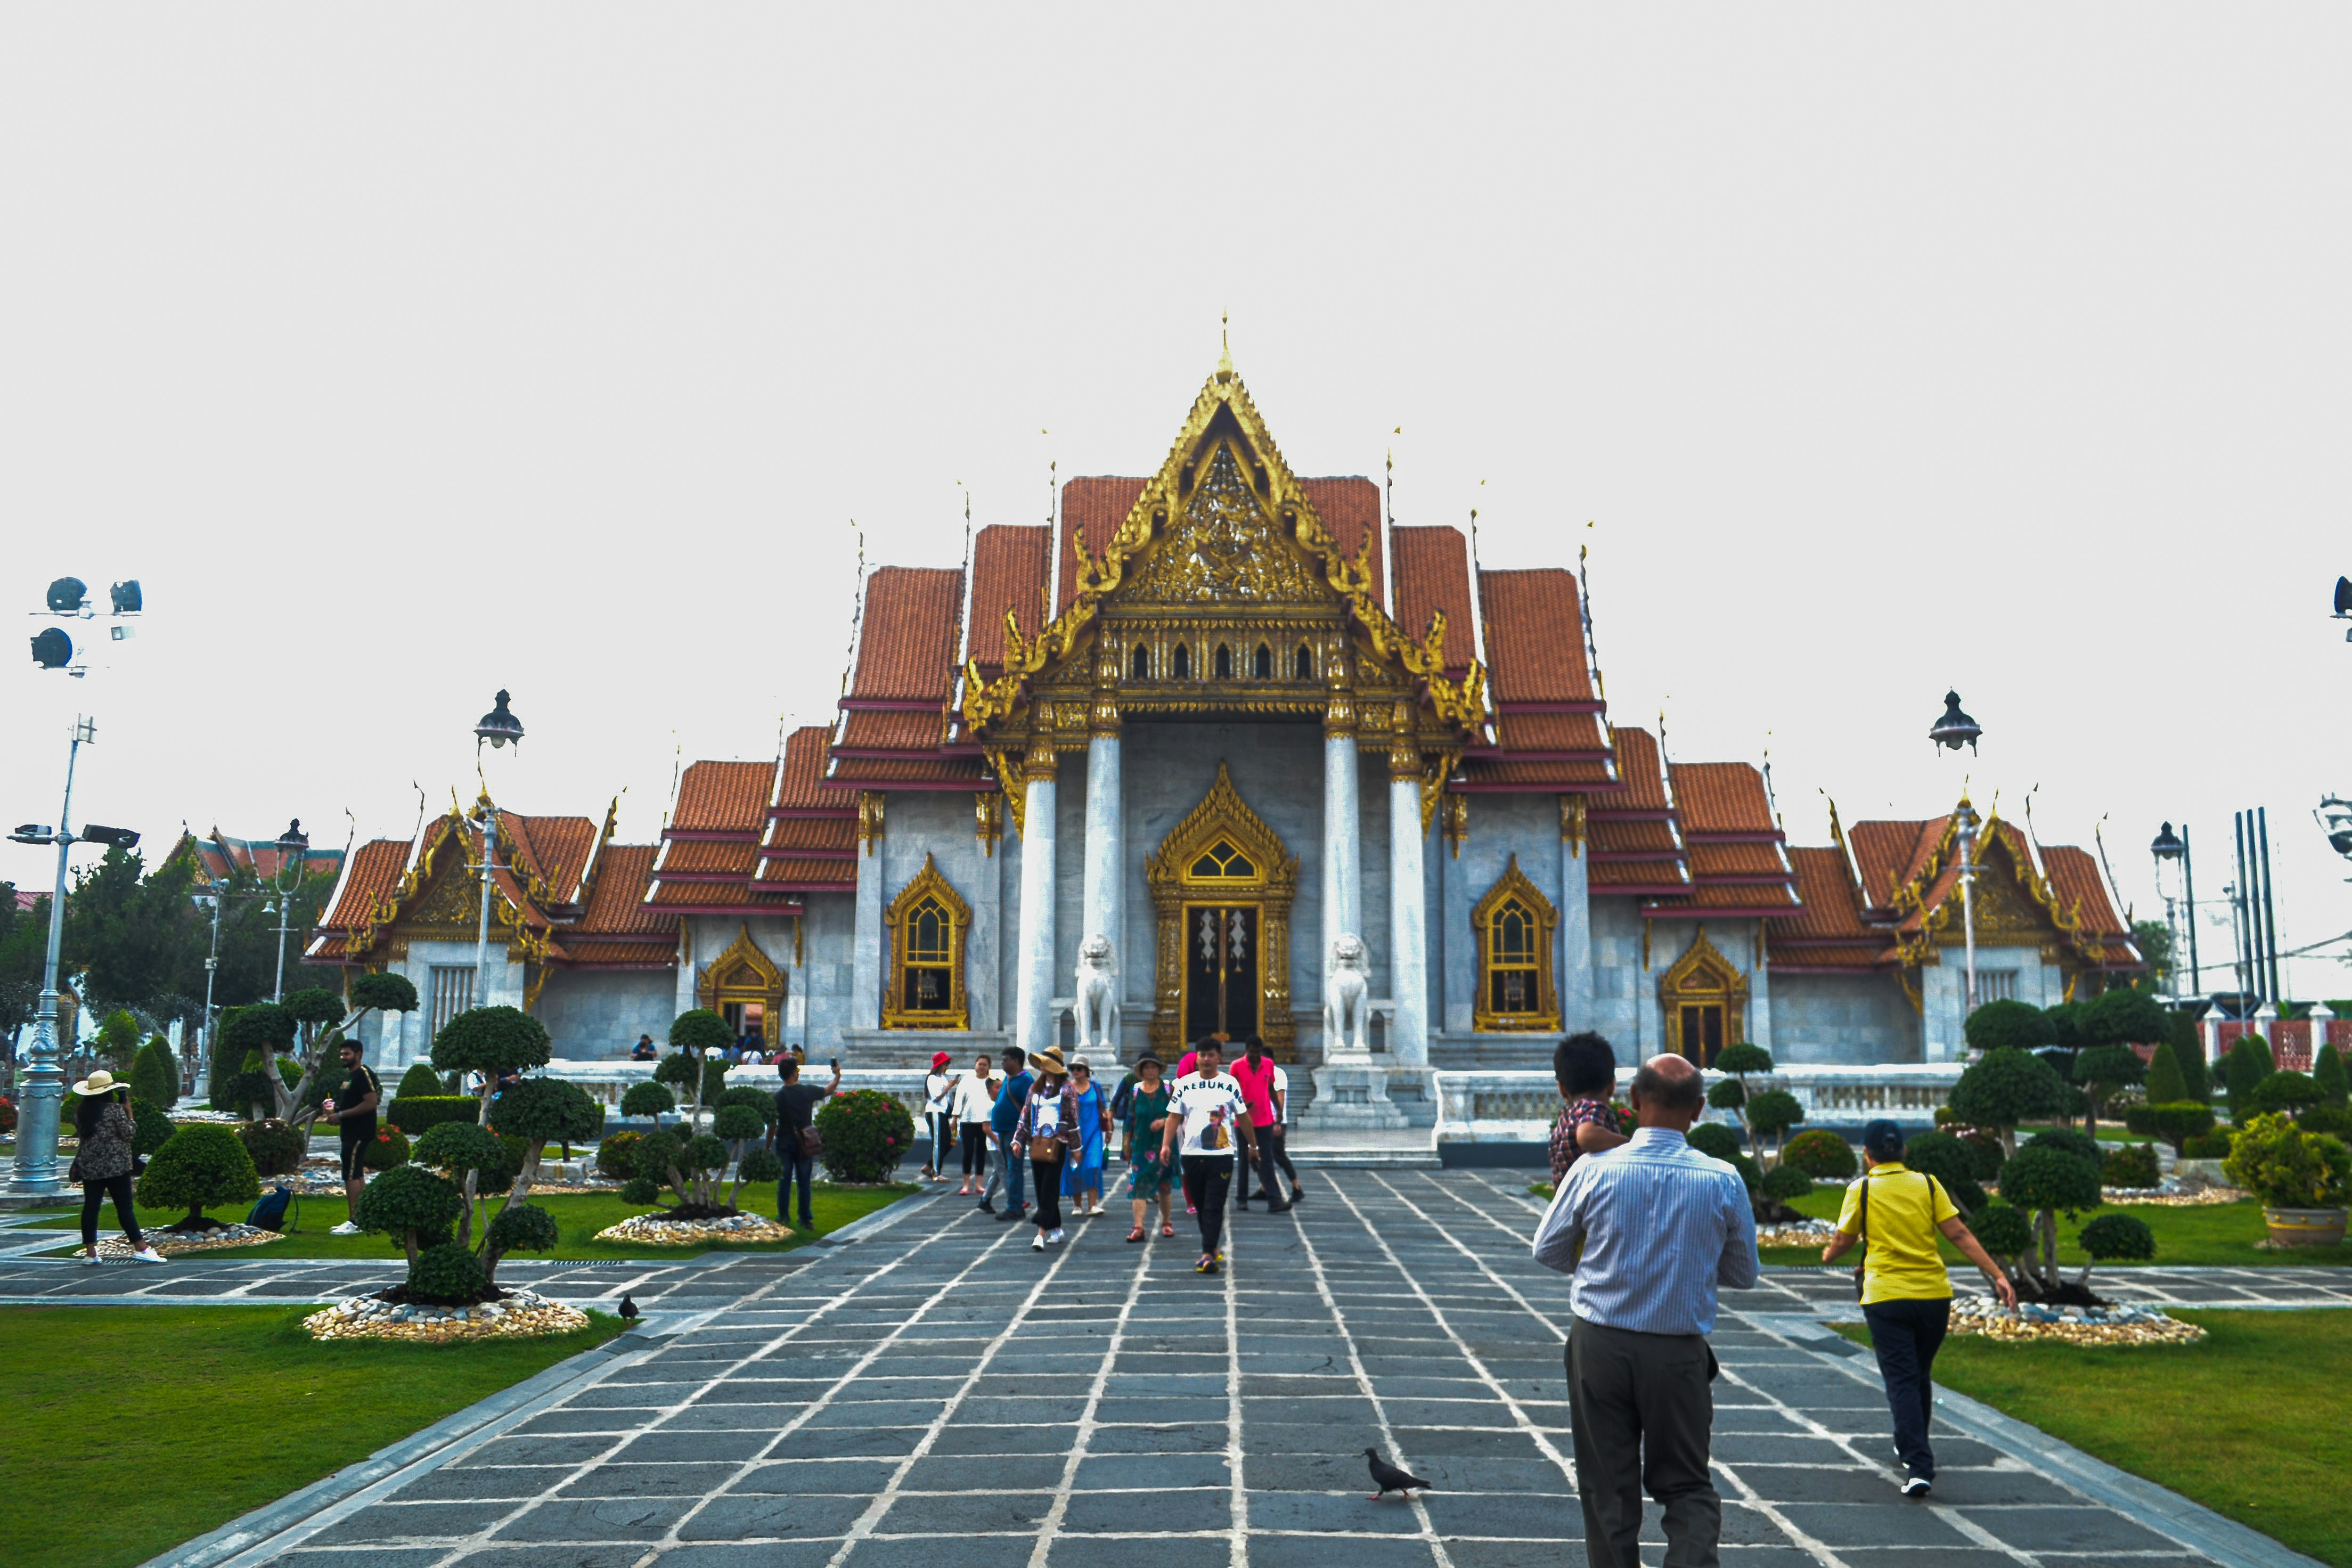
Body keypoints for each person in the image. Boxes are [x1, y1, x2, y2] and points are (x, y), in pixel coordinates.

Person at [1533, 1054, 1759, 1568]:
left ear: (1632, 1103)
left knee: (1607, 1487)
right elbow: (1744, 1274)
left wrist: (1607, 1266)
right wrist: (1688, 1266)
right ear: (1699, 1109)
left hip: (1600, 1344)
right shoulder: (1722, 1179)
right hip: (1677, 1353)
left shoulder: (1594, 1171)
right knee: (1687, 1485)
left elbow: (1547, 1250)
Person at [1822, 1120, 2019, 1497]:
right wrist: (1998, 1275)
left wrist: (1829, 1254)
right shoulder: (1927, 1184)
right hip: (1933, 1297)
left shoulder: (1860, 1189)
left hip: (1887, 1298)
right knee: (1917, 1374)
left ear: (1867, 1154)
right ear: (1904, 1152)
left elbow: (1844, 1240)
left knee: (1901, 1380)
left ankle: (1918, 1464)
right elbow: (1958, 1233)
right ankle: (1909, 1442)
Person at [1161, 1038, 1257, 1274]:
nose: (1206, 1059)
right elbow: (1174, 1117)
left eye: (1211, 1055)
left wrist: (1254, 1146)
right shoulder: (1184, 1084)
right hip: (1191, 1153)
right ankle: (1213, 1246)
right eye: (1202, 1055)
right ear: (1197, 1058)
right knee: (1202, 1205)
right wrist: (1165, 1145)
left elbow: (1243, 1116)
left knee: (1214, 1204)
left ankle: (1206, 1253)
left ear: (1219, 1058)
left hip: (1221, 1153)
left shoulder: (1229, 1083)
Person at [69, 1071, 166, 1264]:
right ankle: (141, 1248)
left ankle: (91, 1253)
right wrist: (129, 1113)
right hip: (116, 1167)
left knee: (91, 1208)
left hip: (90, 1167)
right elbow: (128, 1134)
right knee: (125, 1208)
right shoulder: (114, 1111)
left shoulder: (82, 1112)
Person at [1014, 1047, 1080, 1251]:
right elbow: (1025, 1115)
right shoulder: (1035, 1089)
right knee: (1041, 1185)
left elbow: (1073, 1120)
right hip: (1037, 1141)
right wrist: (1018, 1140)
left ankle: (1041, 1233)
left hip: (1058, 1142)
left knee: (1050, 1185)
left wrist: (1077, 1147)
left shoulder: (1067, 1090)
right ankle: (1057, 1227)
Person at [317, 1038, 382, 1235]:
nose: (343, 1058)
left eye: (347, 1054)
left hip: (359, 1131)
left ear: (359, 1054)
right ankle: (362, 1217)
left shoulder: (363, 1074)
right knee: (356, 1173)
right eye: (341, 1054)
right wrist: (334, 1109)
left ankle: (354, 1221)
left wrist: (341, 1115)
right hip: (349, 1131)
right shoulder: (349, 1077)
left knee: (351, 1174)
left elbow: (371, 1103)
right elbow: (350, 1103)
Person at [770, 1055, 842, 1231]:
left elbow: (772, 1125)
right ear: (795, 1074)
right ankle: (804, 1219)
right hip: (805, 1142)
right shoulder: (806, 1092)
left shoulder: (778, 1097)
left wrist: (767, 1147)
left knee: (784, 1181)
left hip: (784, 1142)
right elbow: (829, 1090)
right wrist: (837, 1075)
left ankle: (783, 1216)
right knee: (804, 1183)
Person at [1548, 1031, 1630, 1183]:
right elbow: (1588, 1136)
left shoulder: (1565, 1118)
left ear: (1561, 1089)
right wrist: (1630, 1144)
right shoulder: (1594, 1108)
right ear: (1612, 1086)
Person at [1229, 1035, 1292, 1212]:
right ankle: (1242, 1198)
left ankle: (1274, 1200)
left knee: (1267, 1159)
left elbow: (1271, 1087)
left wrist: (1278, 1110)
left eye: (1257, 1053)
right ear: (1246, 1050)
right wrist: (1240, 1104)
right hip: (1244, 1120)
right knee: (1243, 1160)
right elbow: (1232, 1091)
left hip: (1265, 1119)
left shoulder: (1268, 1064)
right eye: (1251, 1053)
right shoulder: (1237, 1066)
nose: (1255, 1057)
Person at [1123, 1053, 1175, 1243]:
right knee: (1138, 1184)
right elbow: (1131, 1118)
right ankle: (1139, 1227)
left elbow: (1179, 1114)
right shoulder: (1136, 1091)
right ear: (1141, 1071)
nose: (1150, 1071)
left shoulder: (1169, 1089)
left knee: (1164, 1184)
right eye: (1147, 1068)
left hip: (1164, 1144)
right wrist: (1126, 1144)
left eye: (1153, 1067)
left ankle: (1167, 1222)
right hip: (1141, 1143)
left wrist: (1164, 1121)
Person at [983, 1047, 1032, 1220]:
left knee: (1014, 1170)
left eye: (1006, 1060)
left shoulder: (1025, 1081)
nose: (1002, 1063)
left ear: (1016, 1062)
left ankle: (1015, 1207)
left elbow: (1030, 1106)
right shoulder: (1008, 1078)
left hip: (1014, 1132)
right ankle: (1015, 1205)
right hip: (1003, 1130)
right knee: (1009, 1169)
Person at [1061, 1056, 1109, 1216]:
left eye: (1079, 1068)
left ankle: (1093, 1205)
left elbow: (1103, 1108)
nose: (1076, 1071)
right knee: (1075, 1168)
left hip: (1094, 1132)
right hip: (1074, 1134)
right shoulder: (1067, 1089)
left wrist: (1109, 1129)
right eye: (1073, 1068)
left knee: (1093, 1166)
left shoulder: (1096, 1087)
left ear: (1086, 1071)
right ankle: (1077, 1205)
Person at [951, 1051, 998, 1196]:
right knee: (968, 1152)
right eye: (980, 1064)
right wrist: (954, 1119)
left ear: (989, 1067)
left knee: (981, 1153)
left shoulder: (992, 1082)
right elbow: (959, 1099)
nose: (982, 1067)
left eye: (985, 1064)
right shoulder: (967, 1081)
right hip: (967, 1120)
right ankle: (966, 1184)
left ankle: (979, 1184)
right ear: (975, 1065)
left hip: (985, 1121)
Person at [922, 1050, 956, 1182]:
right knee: (938, 1142)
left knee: (949, 1142)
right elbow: (936, 1098)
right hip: (935, 1112)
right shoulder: (932, 1079)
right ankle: (936, 1173)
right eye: (946, 1064)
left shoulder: (943, 1078)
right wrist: (949, 1087)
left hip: (943, 1113)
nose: (947, 1067)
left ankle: (929, 1165)